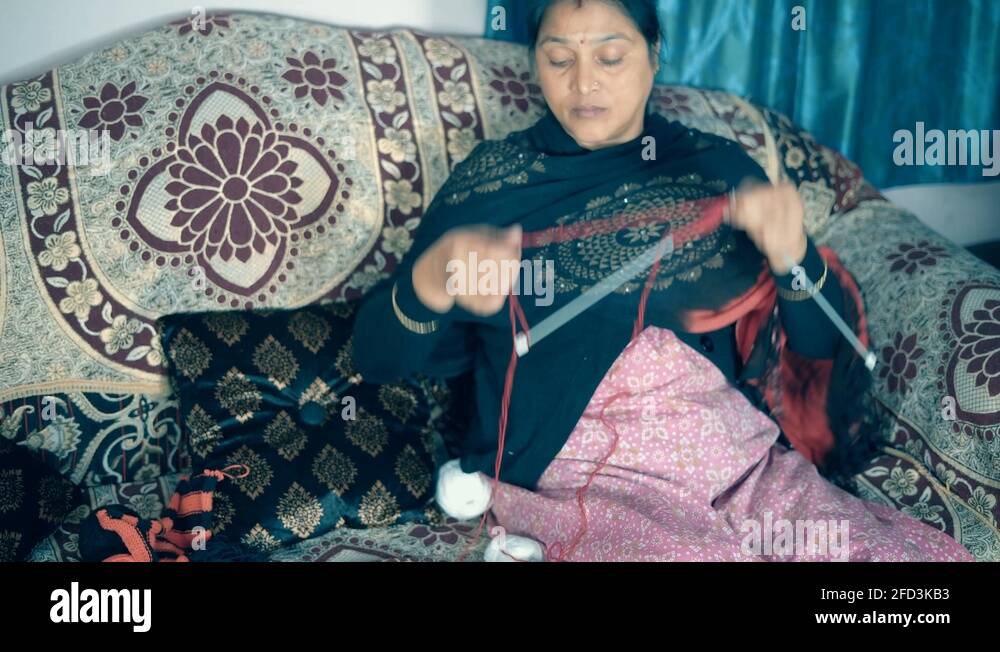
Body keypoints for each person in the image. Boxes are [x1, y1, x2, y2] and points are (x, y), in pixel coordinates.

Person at [352, 0, 974, 562]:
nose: (583, 82)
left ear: (654, 57)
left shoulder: (714, 168)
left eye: (611, 56)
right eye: (558, 57)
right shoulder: (491, 183)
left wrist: (795, 257)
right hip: (584, 480)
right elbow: (376, 356)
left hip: (740, 466)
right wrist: (429, 283)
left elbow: (818, 350)